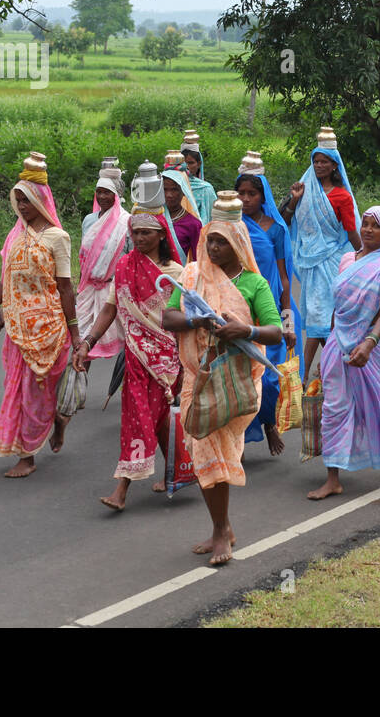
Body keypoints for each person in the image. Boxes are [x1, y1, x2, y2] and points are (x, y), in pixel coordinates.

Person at [162, 191, 283, 565]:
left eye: (221, 241)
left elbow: (275, 330)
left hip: (236, 380)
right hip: (197, 378)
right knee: (203, 455)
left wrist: (244, 330)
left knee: (221, 456)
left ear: (238, 244)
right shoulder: (192, 275)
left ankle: (220, 530)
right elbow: (168, 319)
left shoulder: (253, 284)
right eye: (210, 239)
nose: (213, 247)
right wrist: (198, 320)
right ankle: (221, 528)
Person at [0, 152, 77, 478]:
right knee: (21, 389)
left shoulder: (58, 238)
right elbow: (6, 281)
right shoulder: (16, 236)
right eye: (18, 200)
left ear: (40, 201)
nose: (22, 207)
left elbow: (66, 288)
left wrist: (76, 332)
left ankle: (34, 446)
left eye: (27, 201)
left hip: (49, 326)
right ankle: (30, 449)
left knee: (39, 389)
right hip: (17, 327)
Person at [309, 206, 380, 500]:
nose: (368, 229)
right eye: (365, 224)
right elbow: (338, 307)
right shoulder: (347, 260)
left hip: (374, 346)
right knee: (334, 406)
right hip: (339, 343)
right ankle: (333, 477)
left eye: (376, 226)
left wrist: (369, 342)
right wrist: (332, 343)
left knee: (377, 398)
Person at [73, 209, 183, 511]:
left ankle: (135, 483)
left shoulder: (175, 273)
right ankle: (150, 479)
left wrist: (186, 361)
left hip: (165, 358)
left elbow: (182, 318)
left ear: (161, 235)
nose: (139, 238)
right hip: (135, 357)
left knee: (153, 416)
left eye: (146, 233)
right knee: (141, 417)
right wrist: (88, 343)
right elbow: (109, 310)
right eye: (134, 233)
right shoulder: (124, 266)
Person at [282, 127, 361, 380]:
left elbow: (351, 232)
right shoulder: (305, 192)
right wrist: (294, 200)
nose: (318, 165)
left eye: (324, 161)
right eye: (315, 161)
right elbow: (287, 222)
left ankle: (307, 376)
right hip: (311, 264)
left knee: (324, 320)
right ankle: (333, 370)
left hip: (334, 262)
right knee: (321, 319)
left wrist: (365, 256)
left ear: (334, 166)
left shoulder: (342, 197)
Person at [236, 152, 301, 456]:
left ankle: (269, 423)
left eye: (252, 193)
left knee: (271, 378)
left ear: (263, 195)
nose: (246, 199)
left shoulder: (275, 229)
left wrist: (287, 322)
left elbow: (285, 278)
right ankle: (237, 438)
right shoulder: (233, 227)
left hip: (270, 310)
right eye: (241, 193)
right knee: (242, 377)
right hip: (238, 306)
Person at [76, 162, 130, 364]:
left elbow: (129, 257)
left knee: (127, 342)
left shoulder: (126, 222)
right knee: (82, 340)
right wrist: (81, 287)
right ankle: (77, 389)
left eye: (107, 192)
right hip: (89, 289)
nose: (102, 197)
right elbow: (84, 259)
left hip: (114, 290)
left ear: (116, 196)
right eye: (98, 192)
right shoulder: (89, 220)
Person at [162, 152, 203, 262]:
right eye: (165, 189)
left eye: (174, 190)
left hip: (179, 277)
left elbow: (198, 261)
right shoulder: (154, 217)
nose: (169, 195)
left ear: (184, 192)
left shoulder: (193, 224)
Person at [179, 130, 216, 220]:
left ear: (199, 164)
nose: (186, 167)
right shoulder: (174, 185)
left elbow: (213, 216)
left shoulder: (206, 189)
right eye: (183, 163)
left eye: (191, 163)